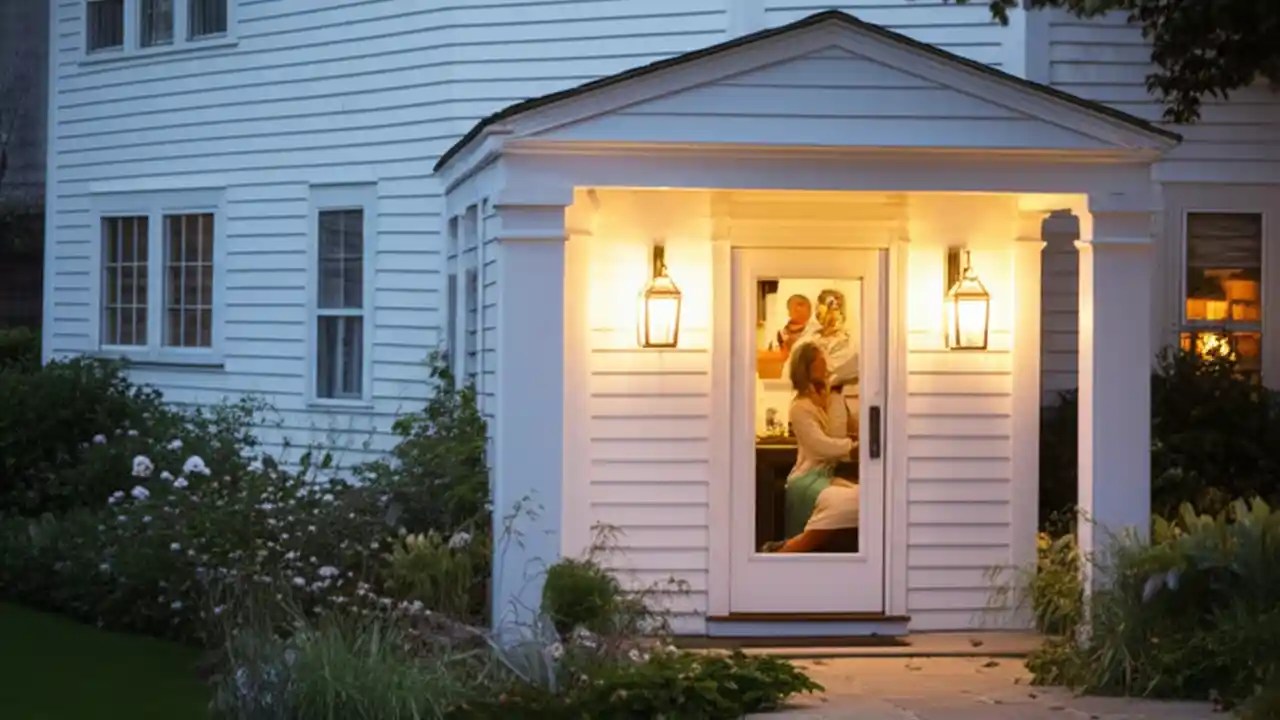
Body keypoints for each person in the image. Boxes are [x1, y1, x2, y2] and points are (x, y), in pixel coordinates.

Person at [765, 342, 861, 553]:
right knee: (845, 503)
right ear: (806, 367)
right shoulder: (799, 407)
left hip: (826, 476)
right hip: (806, 479)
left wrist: (835, 392)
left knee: (865, 498)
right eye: (820, 360)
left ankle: (797, 545)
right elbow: (820, 446)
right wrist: (851, 449)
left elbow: (836, 435)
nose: (825, 364)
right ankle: (788, 549)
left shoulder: (824, 400)